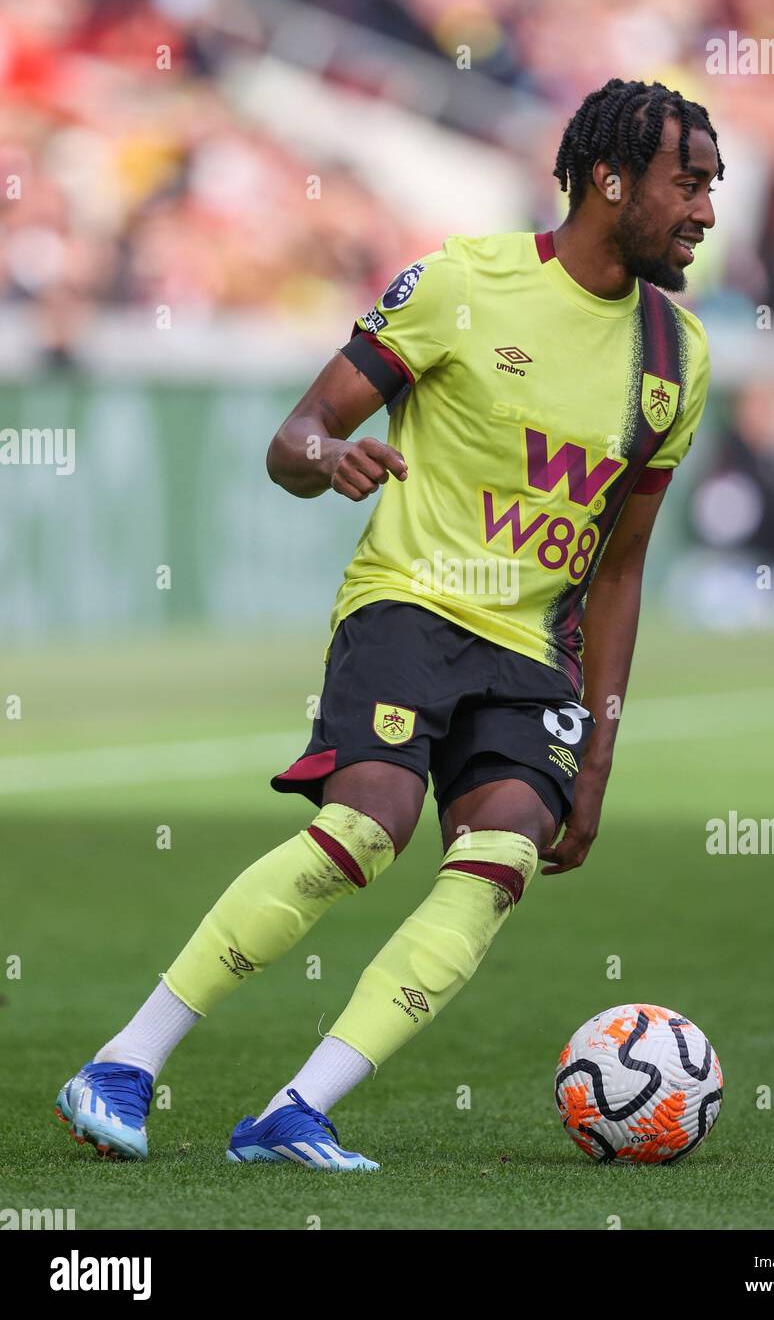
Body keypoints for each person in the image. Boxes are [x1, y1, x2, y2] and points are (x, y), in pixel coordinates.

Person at [55, 78, 722, 1171]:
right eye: (686, 184)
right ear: (610, 181)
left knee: (498, 856)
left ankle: (295, 1111)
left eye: (711, 188)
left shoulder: (677, 360)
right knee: (368, 827)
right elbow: (297, 434)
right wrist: (333, 459)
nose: (703, 211)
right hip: (408, 600)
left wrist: (598, 757)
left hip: (528, 653)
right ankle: (127, 1059)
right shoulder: (465, 281)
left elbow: (623, 568)